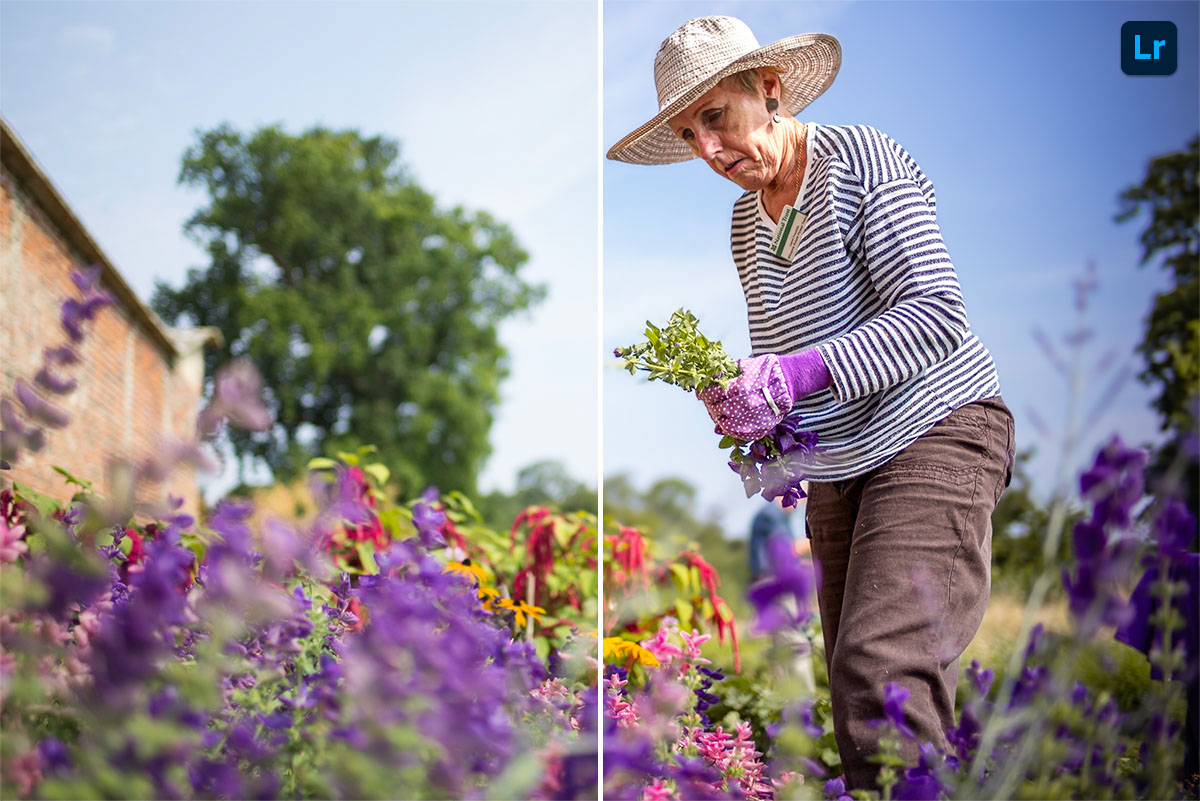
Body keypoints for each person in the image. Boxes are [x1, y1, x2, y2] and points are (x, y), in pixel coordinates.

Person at [607, 16, 1015, 789]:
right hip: (842, 464)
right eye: (691, 134)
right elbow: (792, 361)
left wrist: (791, 376)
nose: (709, 152)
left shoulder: (861, 159)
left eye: (716, 119)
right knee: (860, 688)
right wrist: (755, 412)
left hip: (937, 429)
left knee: (882, 667)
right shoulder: (743, 224)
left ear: (769, 89)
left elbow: (935, 313)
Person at [748, 494, 816, 693]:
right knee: (796, 643)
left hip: (771, 586)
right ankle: (805, 700)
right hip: (777, 587)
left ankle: (785, 700)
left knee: (782, 646)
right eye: (799, 497)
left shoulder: (771, 516)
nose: (799, 503)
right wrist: (821, 539)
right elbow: (787, 550)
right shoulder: (772, 515)